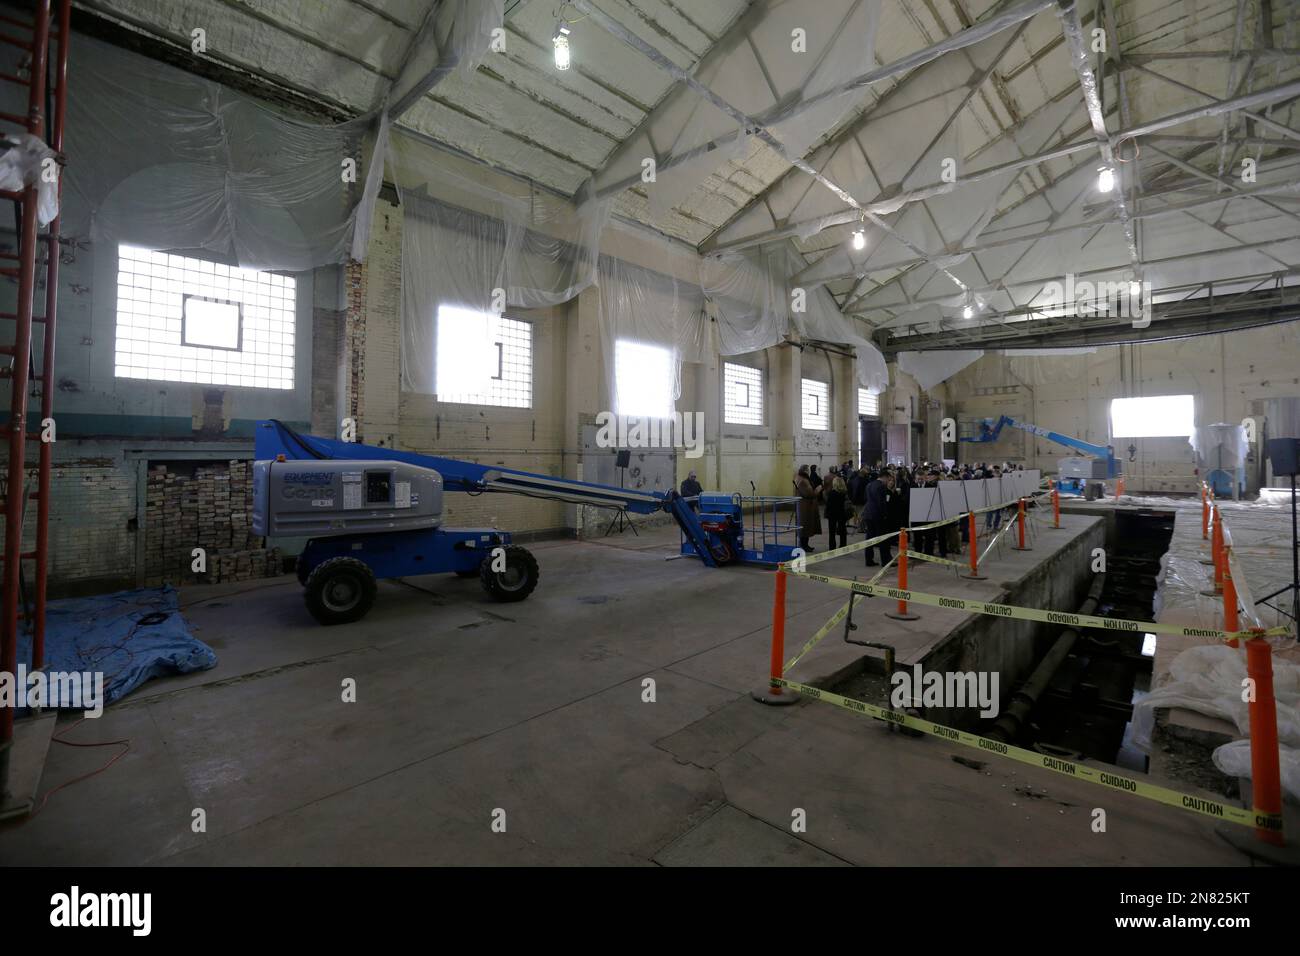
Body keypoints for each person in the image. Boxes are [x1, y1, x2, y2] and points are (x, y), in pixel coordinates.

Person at [864, 471, 894, 567]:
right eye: (888, 479)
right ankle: (885, 561)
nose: (888, 481)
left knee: (869, 538)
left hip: (869, 515)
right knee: (883, 539)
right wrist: (885, 515)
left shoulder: (869, 485)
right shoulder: (881, 487)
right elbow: (882, 503)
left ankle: (869, 560)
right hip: (878, 516)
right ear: (885, 477)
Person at [794, 466, 822, 552]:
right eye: (808, 470)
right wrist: (818, 489)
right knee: (805, 527)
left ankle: (804, 545)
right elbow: (810, 494)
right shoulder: (803, 480)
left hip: (803, 506)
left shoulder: (799, 478)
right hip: (805, 507)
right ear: (805, 471)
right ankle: (804, 546)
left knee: (804, 527)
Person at [824, 475, 849, 551]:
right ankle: (843, 546)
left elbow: (828, 504)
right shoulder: (845, 493)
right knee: (843, 531)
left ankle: (832, 547)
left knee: (832, 532)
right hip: (842, 513)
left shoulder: (832, 493)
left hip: (832, 514)